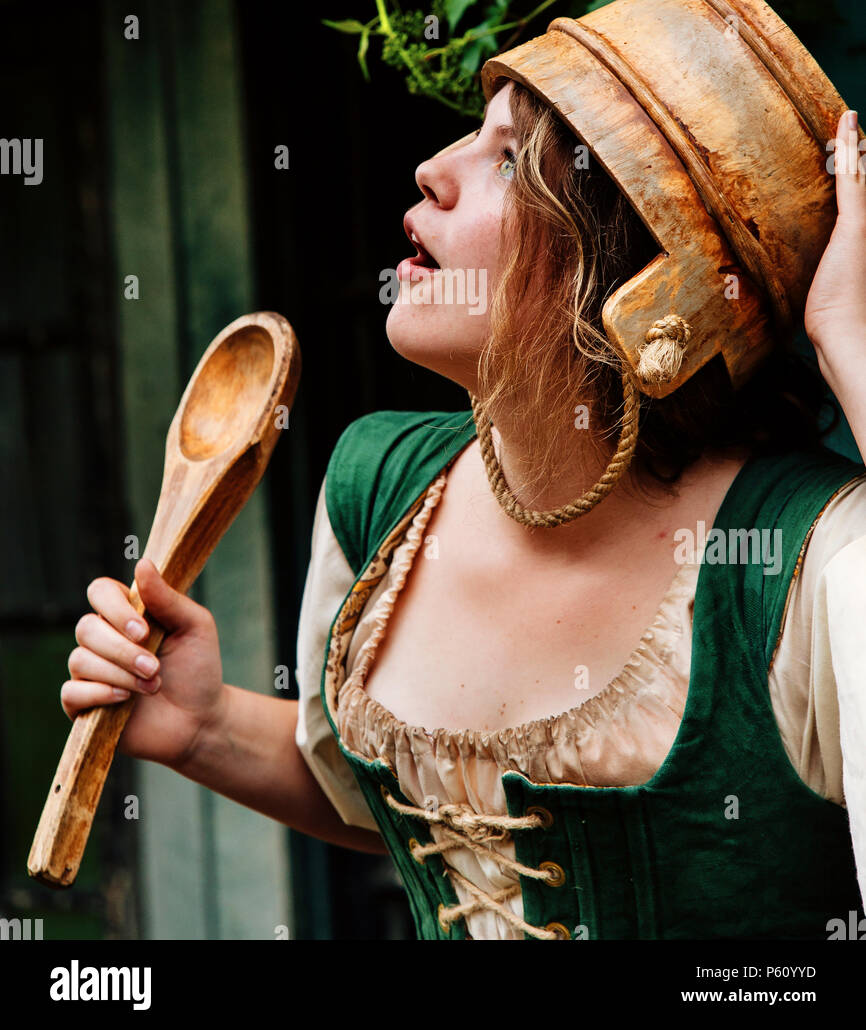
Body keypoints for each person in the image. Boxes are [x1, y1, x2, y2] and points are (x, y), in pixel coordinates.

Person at [62, 80, 866, 939]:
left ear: (642, 279)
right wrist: (205, 726)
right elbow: (391, 811)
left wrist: (850, 339)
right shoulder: (382, 492)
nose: (432, 171)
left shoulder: (814, 557)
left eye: (512, 161)